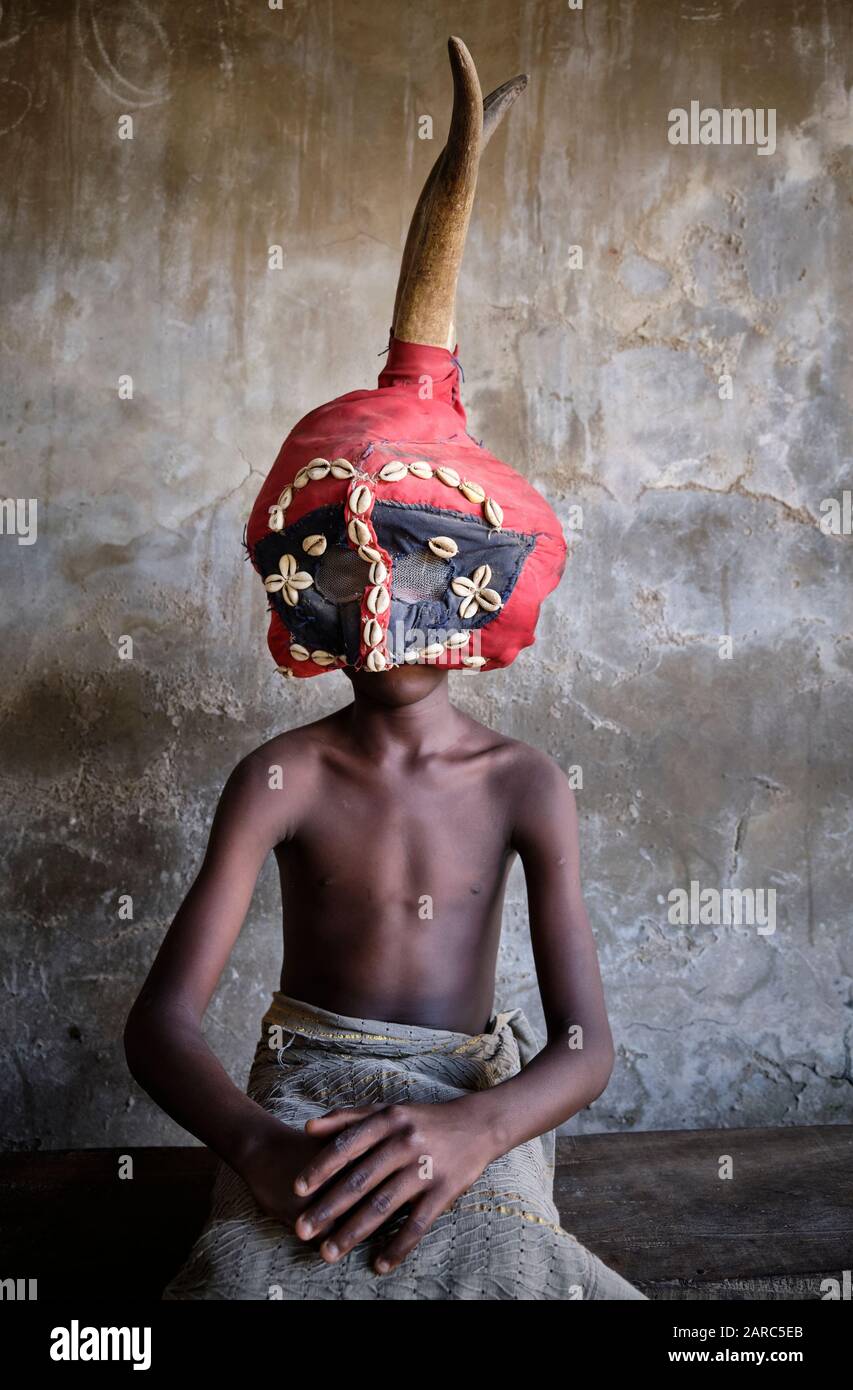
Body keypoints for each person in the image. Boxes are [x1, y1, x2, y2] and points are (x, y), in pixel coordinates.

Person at [124, 38, 647, 1302]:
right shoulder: (279, 778)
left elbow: (583, 1045)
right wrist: (256, 1141)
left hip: (472, 1087)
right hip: (302, 1093)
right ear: (315, 593)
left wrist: (477, 1129)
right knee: (246, 1290)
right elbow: (161, 1027)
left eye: (419, 571)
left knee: (523, 1281)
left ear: (476, 577)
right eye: (355, 580)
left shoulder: (525, 782)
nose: (385, 614)